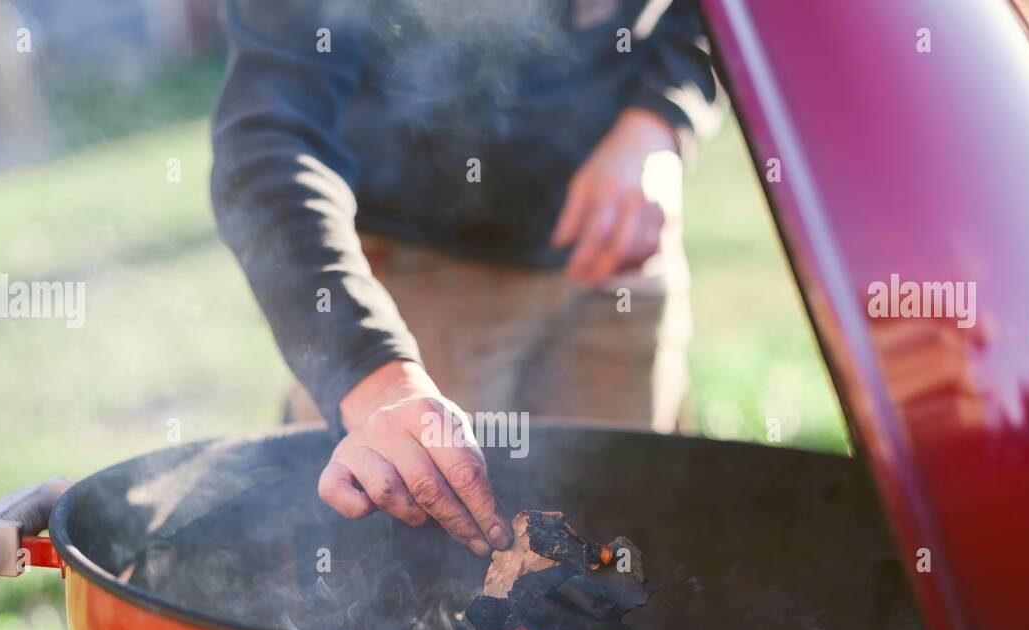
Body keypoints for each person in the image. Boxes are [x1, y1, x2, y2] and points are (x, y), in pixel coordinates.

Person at [211, 0, 721, 557]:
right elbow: (270, 143)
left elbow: (720, 17)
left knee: (622, 560)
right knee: (396, 582)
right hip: (409, 282)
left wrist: (657, 124)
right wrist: (371, 372)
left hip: (618, 245)